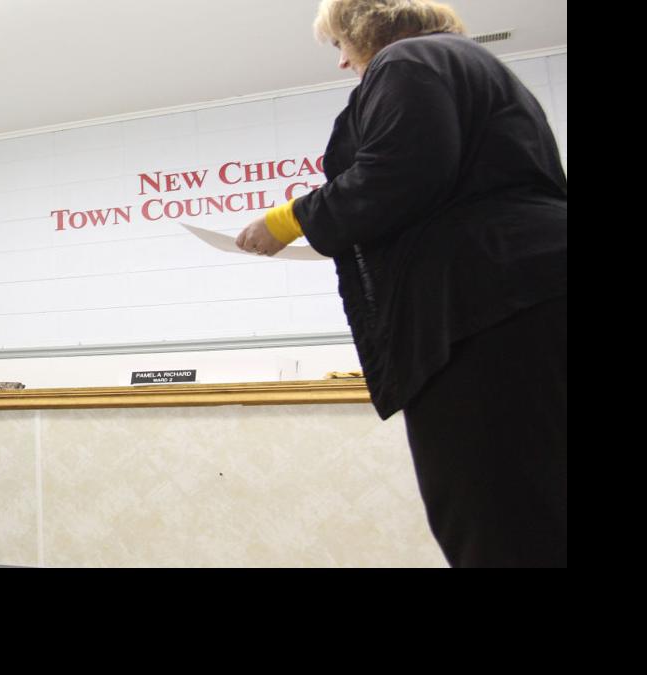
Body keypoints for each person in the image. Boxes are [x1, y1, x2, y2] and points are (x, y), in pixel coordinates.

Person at [236, 0, 566, 567]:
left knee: (494, 509)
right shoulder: (468, 66)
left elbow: (398, 171)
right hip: (526, 297)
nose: (342, 63)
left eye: (338, 43)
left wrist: (287, 220)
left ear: (367, 25)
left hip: (484, 311)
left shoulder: (410, 57)